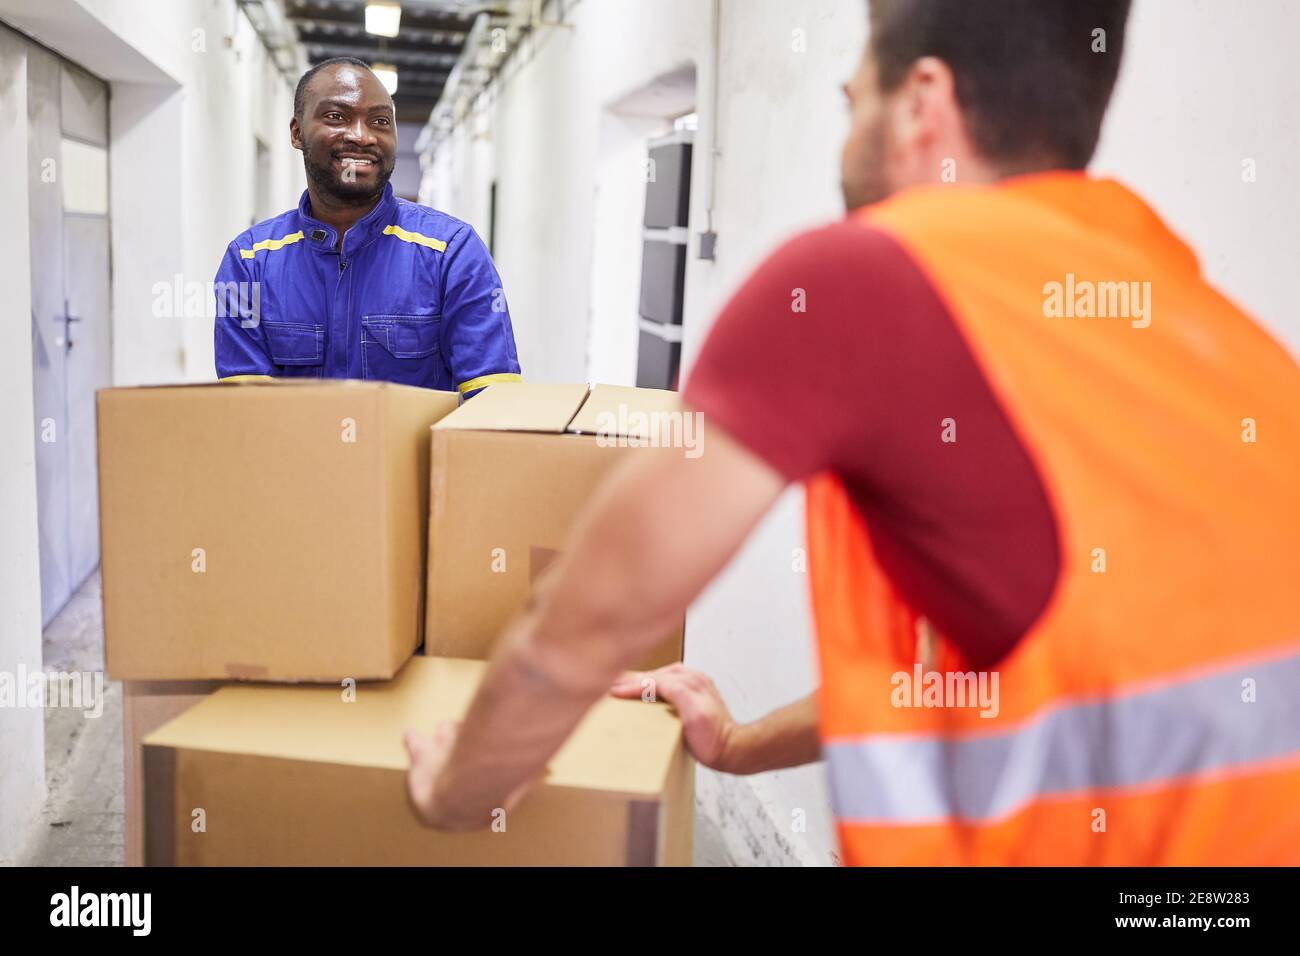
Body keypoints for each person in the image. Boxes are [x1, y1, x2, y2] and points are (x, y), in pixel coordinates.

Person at [405, 0, 1300, 864]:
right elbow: (983, 668)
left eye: (852, 103)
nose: (844, 140)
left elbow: (595, 612)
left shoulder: (869, 280)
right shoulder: (1194, 323)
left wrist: (457, 788)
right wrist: (740, 742)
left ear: (922, 106)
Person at [214, 57, 520, 396]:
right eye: (336, 117)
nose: (361, 136)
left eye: (379, 121)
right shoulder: (249, 263)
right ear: (297, 132)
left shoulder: (452, 253)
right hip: (295, 451)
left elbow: (491, 407)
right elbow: (247, 418)